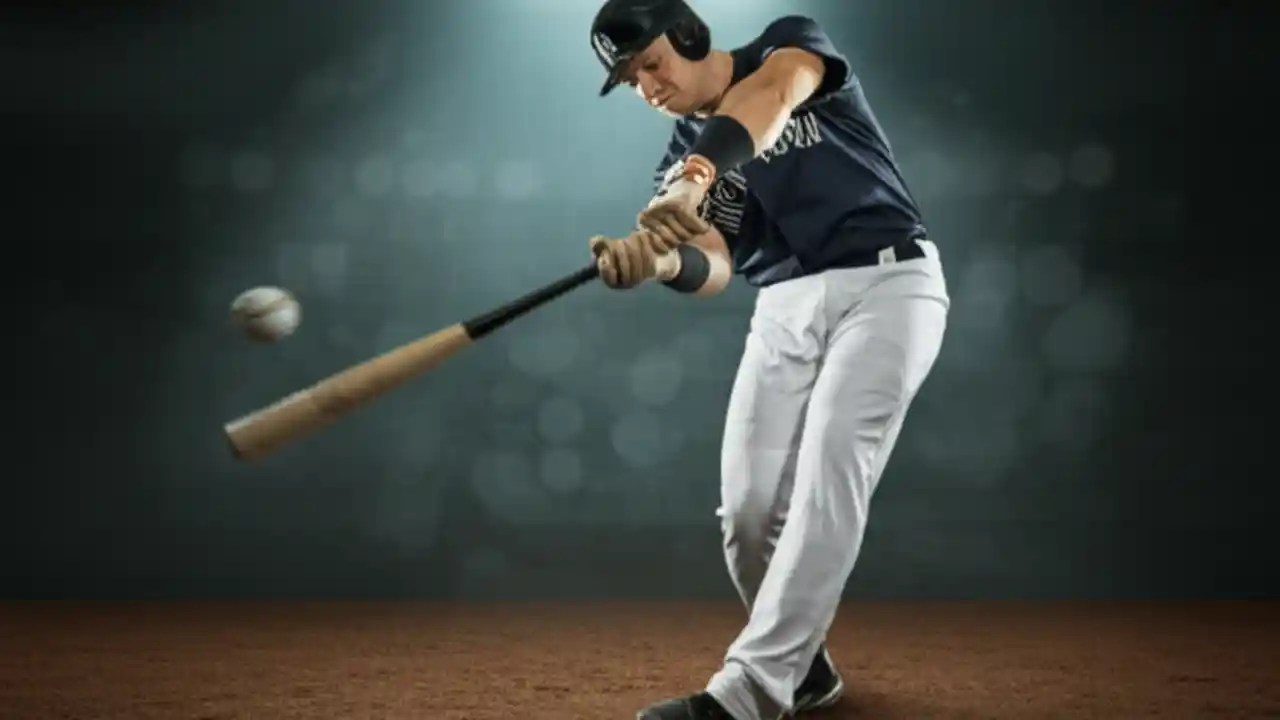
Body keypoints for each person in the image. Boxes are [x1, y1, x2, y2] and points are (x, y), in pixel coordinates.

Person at [585, 1, 951, 718]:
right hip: (783, 305)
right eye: (631, 81)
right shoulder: (675, 163)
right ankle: (804, 668)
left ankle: (748, 692)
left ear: (688, 34)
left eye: (652, 63)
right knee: (749, 514)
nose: (647, 87)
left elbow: (773, 98)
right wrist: (657, 265)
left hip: (888, 282)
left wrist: (695, 175)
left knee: (830, 468)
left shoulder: (786, 45)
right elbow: (716, 265)